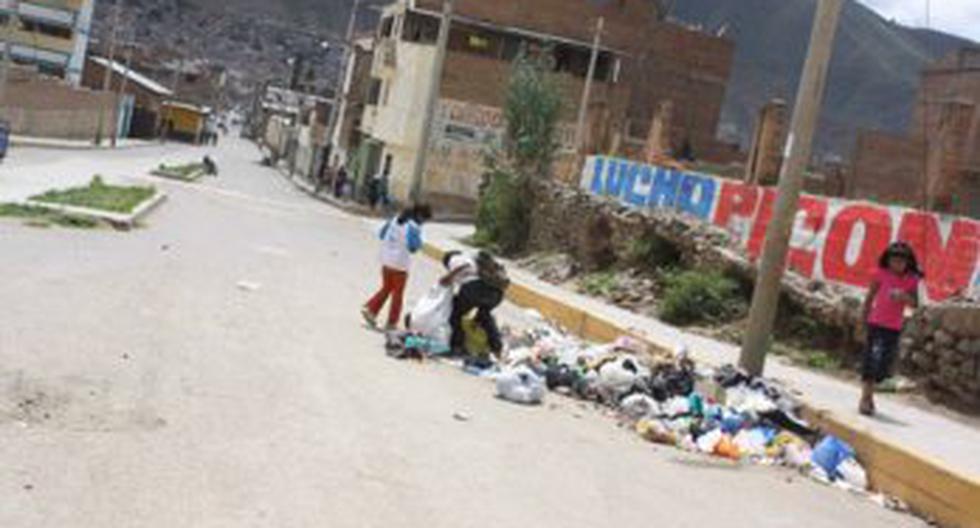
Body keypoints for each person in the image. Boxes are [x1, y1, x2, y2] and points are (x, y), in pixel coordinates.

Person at [859, 241, 922, 416]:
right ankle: (866, 399)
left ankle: (872, 392)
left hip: (893, 327)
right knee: (871, 360)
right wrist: (862, 321)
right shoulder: (881, 274)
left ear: (908, 262)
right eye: (894, 260)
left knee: (884, 364)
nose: (898, 264)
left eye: (902, 261)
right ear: (888, 260)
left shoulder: (911, 279)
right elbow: (869, 298)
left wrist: (904, 297)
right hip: (875, 323)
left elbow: (915, 303)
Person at [362, 204, 433, 331]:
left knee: (387, 287)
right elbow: (413, 247)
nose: (424, 223)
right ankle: (391, 322)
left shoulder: (394, 220)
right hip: (400, 265)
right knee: (397, 295)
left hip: (385, 261)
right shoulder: (413, 227)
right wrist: (420, 242)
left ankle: (371, 310)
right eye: (425, 220)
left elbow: (382, 234)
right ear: (420, 216)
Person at [440, 250, 509, 358]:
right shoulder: (475, 258)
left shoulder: (454, 259)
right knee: (484, 316)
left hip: (475, 288)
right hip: (497, 293)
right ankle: (497, 348)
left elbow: (464, 266)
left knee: (455, 314)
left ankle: (457, 346)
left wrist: (449, 276)